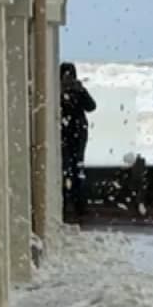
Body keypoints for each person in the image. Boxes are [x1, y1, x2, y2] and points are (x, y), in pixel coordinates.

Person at [59, 62, 97, 220]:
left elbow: (91, 106)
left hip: (76, 133)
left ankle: (77, 204)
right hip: (67, 132)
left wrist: (80, 90)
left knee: (76, 168)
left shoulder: (77, 90)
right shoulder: (57, 91)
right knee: (67, 168)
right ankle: (67, 203)